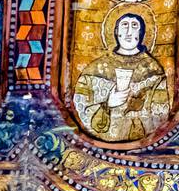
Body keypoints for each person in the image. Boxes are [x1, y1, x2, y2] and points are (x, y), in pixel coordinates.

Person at [72, 11, 170, 142]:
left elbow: (160, 114)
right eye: (124, 25)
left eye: (135, 26)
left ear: (141, 33)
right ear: (116, 32)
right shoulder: (95, 69)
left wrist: (135, 110)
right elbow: (81, 106)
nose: (129, 32)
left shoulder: (153, 70)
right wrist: (107, 105)